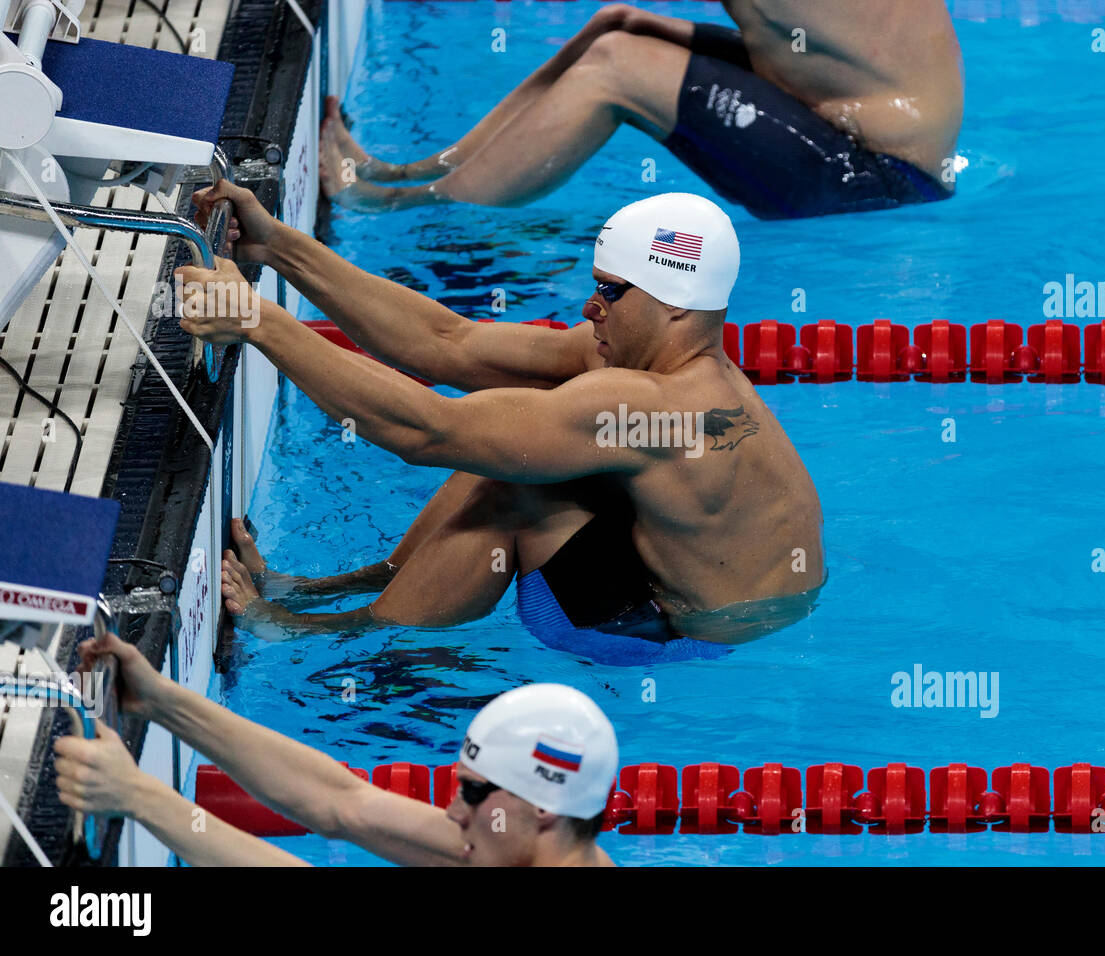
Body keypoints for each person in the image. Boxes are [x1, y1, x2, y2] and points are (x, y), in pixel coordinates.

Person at [181, 184, 825, 664]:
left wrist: (257, 321)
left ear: (677, 308)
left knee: (514, 478)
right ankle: (330, 589)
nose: (589, 307)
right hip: (707, 592)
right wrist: (279, 245)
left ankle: (318, 632)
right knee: (514, 433)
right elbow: (449, 342)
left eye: (611, 292)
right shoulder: (653, 366)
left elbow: (425, 432)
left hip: (667, 635)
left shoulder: (657, 410)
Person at [319, 1, 963, 219]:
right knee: (616, 28)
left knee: (618, 70)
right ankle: (412, 171)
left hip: (873, 174)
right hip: (830, 118)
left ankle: (399, 207)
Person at [54, 632, 619, 867]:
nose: (453, 810)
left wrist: (142, 798)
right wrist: (163, 702)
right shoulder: (513, 844)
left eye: (472, 791)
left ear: (544, 804)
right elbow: (342, 803)